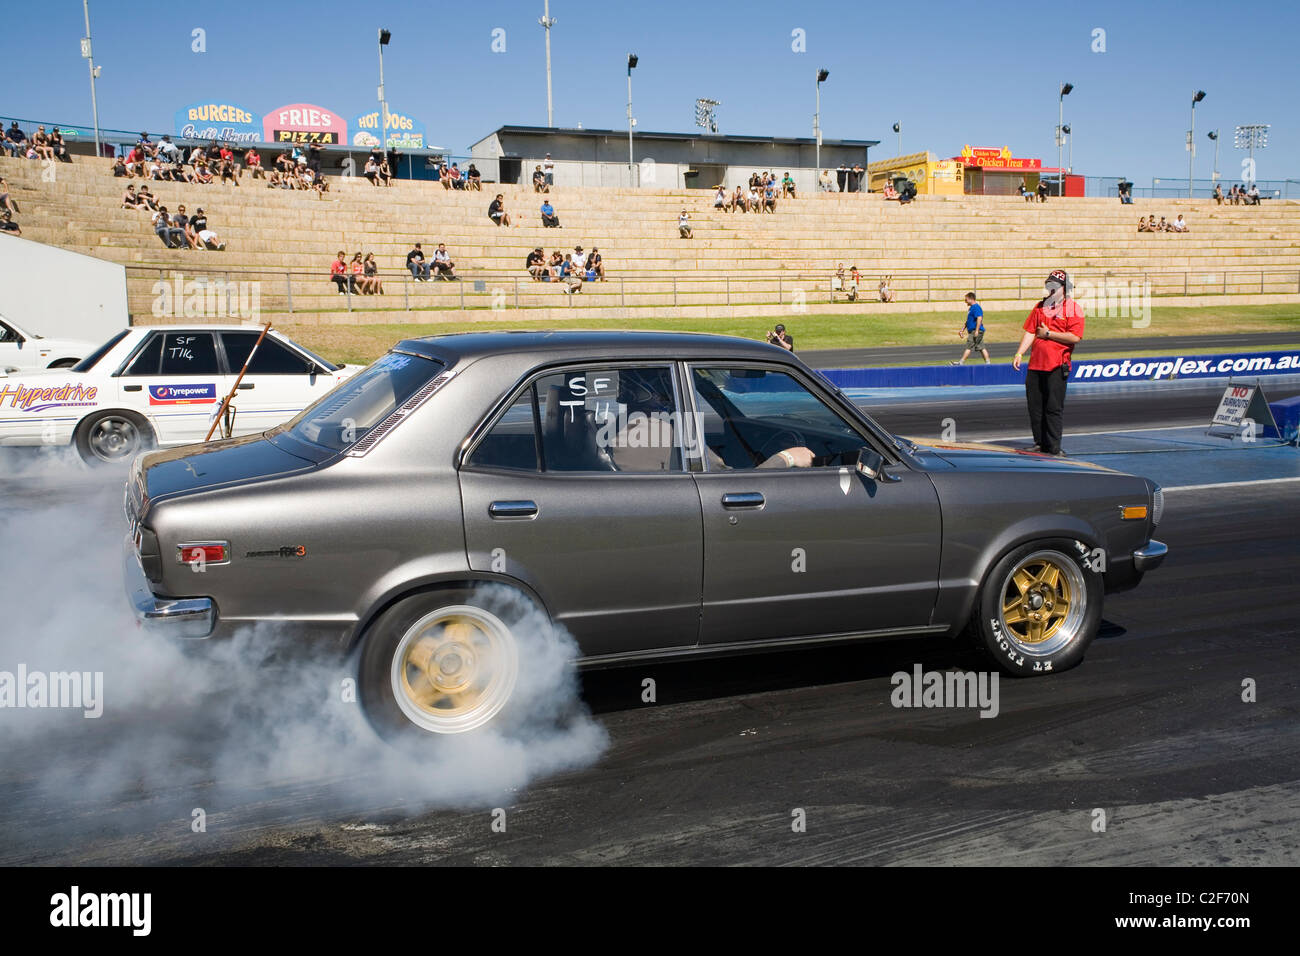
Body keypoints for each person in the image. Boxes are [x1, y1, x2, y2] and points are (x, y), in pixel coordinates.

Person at [1013, 269, 1084, 457]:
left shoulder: (1073, 308)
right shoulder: (1040, 306)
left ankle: (1053, 447)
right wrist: (1020, 353)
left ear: (1065, 288)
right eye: (1048, 285)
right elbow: (1030, 331)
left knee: (1053, 407)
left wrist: (1049, 334)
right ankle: (1040, 442)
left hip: (1056, 365)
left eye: (1055, 285)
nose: (1050, 289)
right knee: (1035, 407)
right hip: (1036, 364)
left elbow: (1075, 337)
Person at [952, 292, 990, 365]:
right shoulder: (971, 308)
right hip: (974, 330)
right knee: (981, 347)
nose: (965, 301)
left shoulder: (976, 307)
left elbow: (979, 318)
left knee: (969, 346)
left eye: (966, 300)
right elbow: (968, 321)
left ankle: (961, 362)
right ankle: (988, 363)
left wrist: (976, 330)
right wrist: (962, 330)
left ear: (971, 299)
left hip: (975, 331)